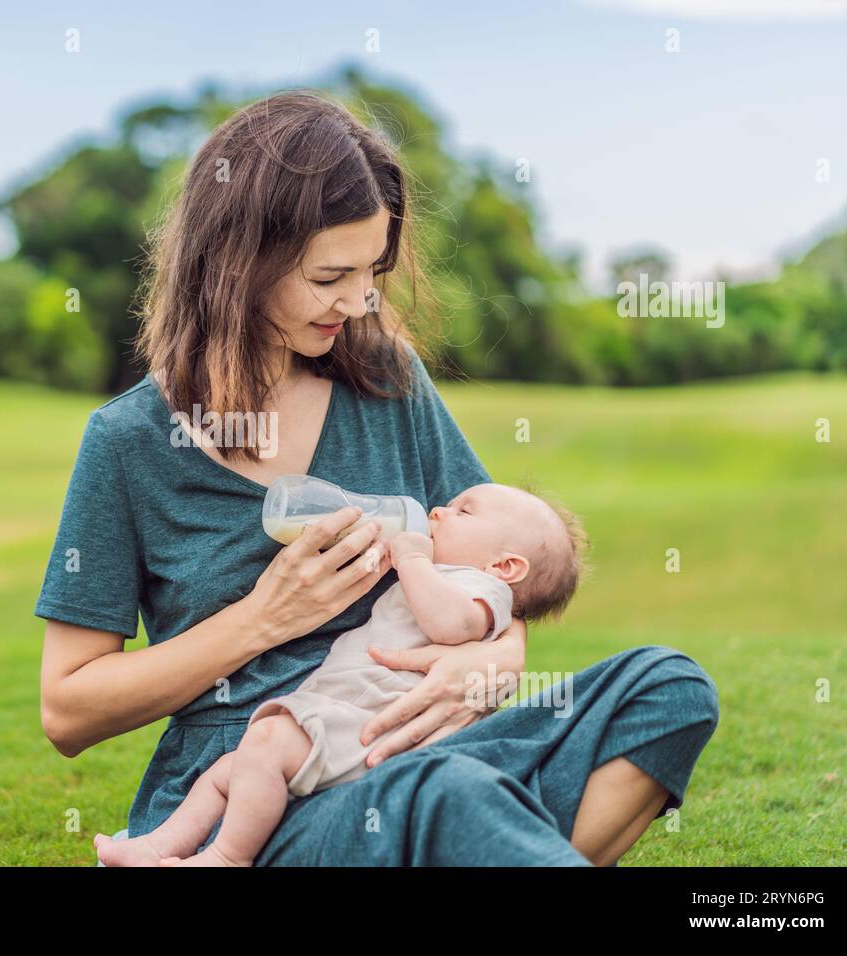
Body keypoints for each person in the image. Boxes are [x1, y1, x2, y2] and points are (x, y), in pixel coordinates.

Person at [35, 89, 719, 866]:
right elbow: (68, 708)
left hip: (417, 741)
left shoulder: (389, 383)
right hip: (262, 789)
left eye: (372, 272)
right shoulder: (129, 443)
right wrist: (262, 620)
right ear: (238, 264)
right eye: (332, 274)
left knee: (666, 689)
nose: (360, 301)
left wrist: (495, 660)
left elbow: (495, 575)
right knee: (442, 798)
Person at [94, 482, 588, 867]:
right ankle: (152, 846)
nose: (437, 511)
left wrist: (413, 559)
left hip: (371, 721)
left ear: (505, 566)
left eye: (462, 511)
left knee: (266, 741)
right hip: (343, 711)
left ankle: (227, 856)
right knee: (229, 772)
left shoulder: (482, 592)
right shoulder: (452, 572)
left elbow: (452, 624)